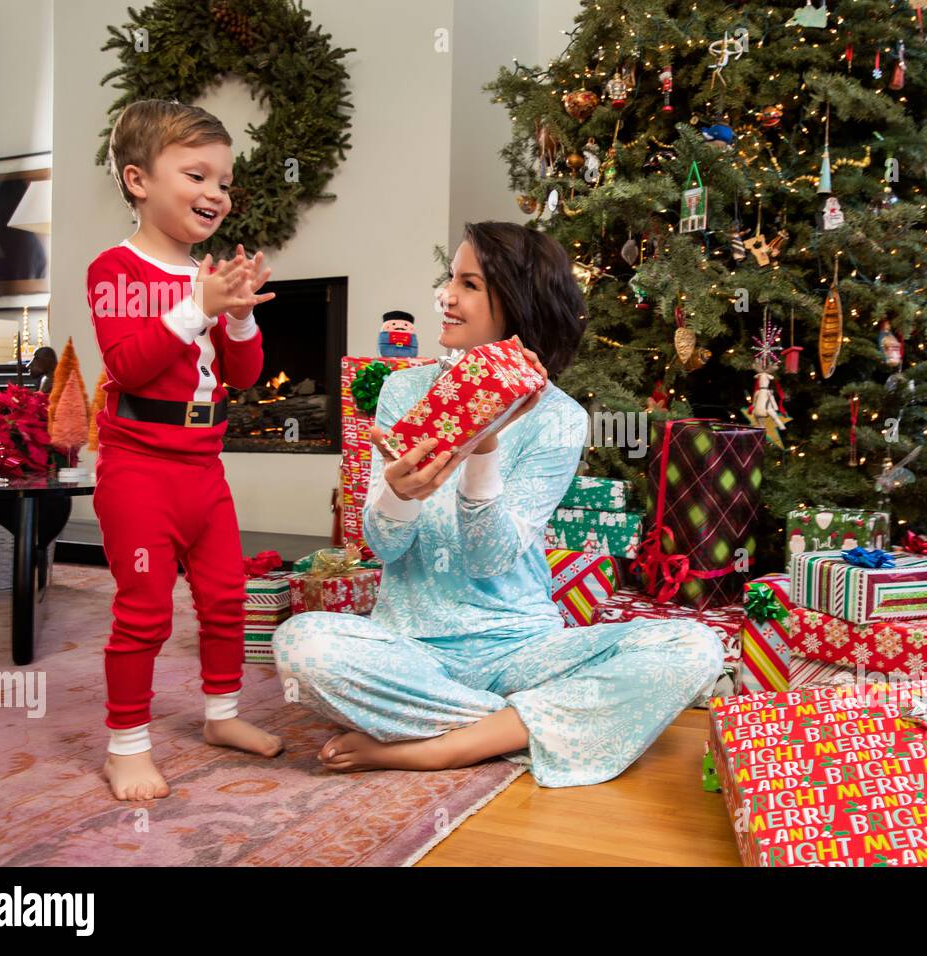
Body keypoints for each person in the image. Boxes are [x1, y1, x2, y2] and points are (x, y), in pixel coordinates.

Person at [273, 222, 724, 787]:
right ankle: (528, 726)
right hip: (410, 648)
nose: (445, 295)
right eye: (448, 279)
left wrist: (482, 451)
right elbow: (383, 545)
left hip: (521, 649)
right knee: (302, 646)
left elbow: (492, 560)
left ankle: (441, 747)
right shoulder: (403, 391)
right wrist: (399, 496)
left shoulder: (559, 417)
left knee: (694, 645)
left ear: (516, 302)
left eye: (468, 284)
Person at [87, 99, 279, 801]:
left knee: (227, 595)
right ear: (138, 180)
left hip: (205, 466)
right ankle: (126, 744)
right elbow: (131, 363)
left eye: (224, 182)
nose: (216, 195)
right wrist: (200, 304)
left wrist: (240, 315)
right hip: (139, 469)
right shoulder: (116, 269)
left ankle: (222, 715)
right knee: (145, 610)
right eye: (196, 175)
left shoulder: (209, 278)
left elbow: (247, 377)